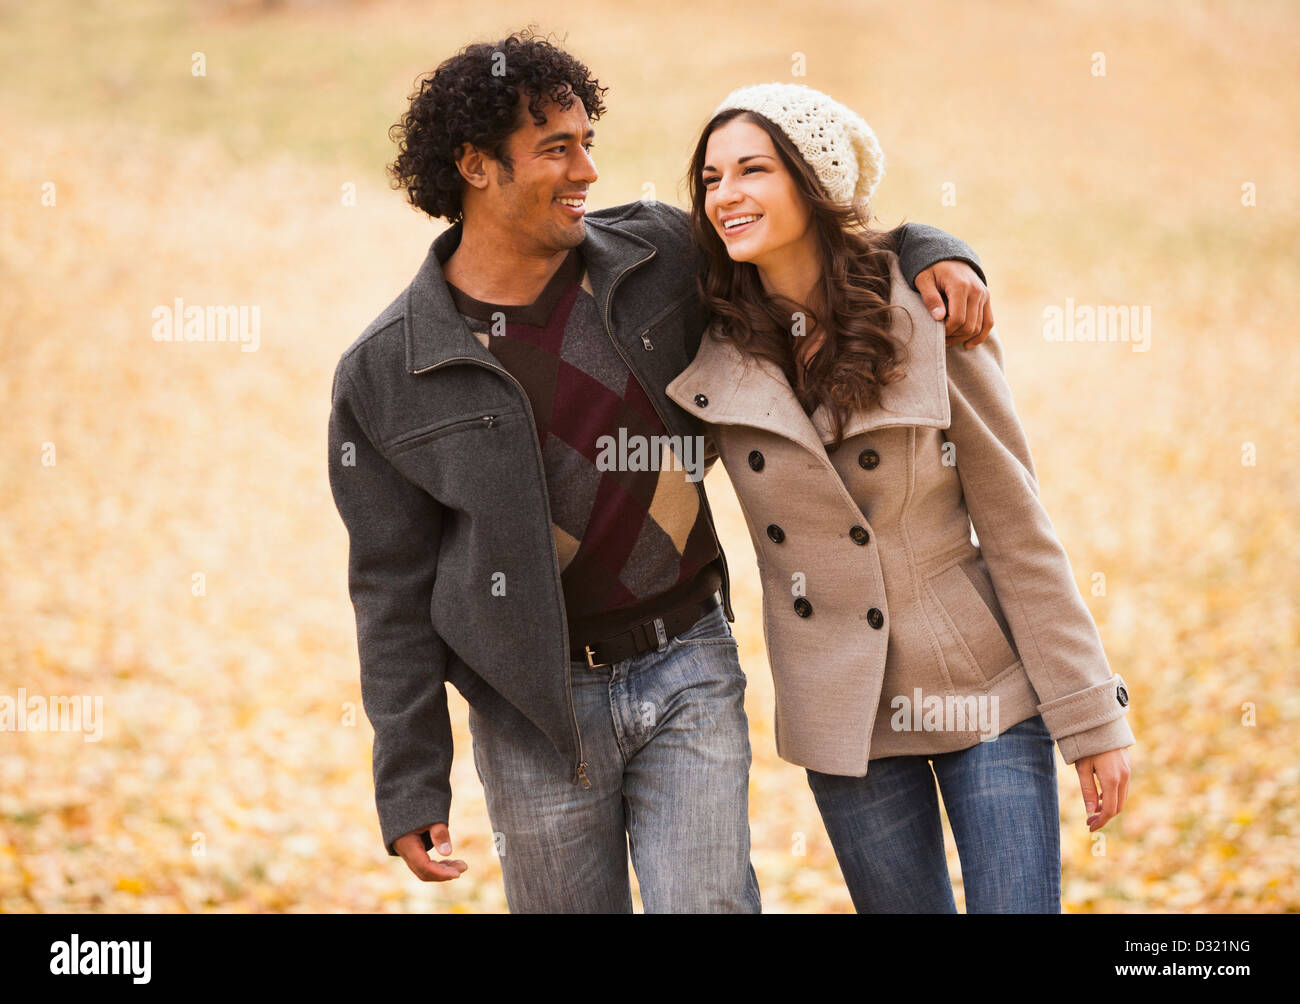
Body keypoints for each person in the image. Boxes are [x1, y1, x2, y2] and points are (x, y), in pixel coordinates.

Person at [327, 31, 993, 913]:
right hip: (536, 710)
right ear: (476, 166)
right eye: (556, 149)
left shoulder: (658, 261)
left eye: (588, 142)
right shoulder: (388, 370)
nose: (587, 172)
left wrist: (927, 248)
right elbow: (391, 588)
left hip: (688, 661)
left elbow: (806, 247)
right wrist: (411, 782)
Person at [665, 82, 1135, 913]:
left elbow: (1019, 527)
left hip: (983, 687)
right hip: (844, 715)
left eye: (752, 169)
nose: (726, 194)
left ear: (814, 182)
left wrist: (1091, 717)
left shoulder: (929, 316)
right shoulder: (713, 354)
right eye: (709, 179)